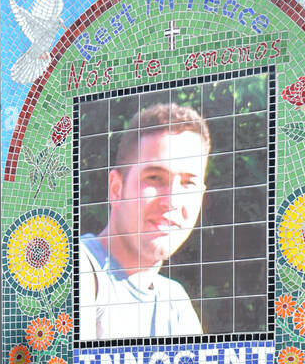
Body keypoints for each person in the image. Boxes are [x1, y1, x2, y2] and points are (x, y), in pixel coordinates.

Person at [78, 102, 208, 342]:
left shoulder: (174, 303)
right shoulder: (77, 271)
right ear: (116, 189)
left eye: (189, 182)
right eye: (155, 178)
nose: (172, 200)